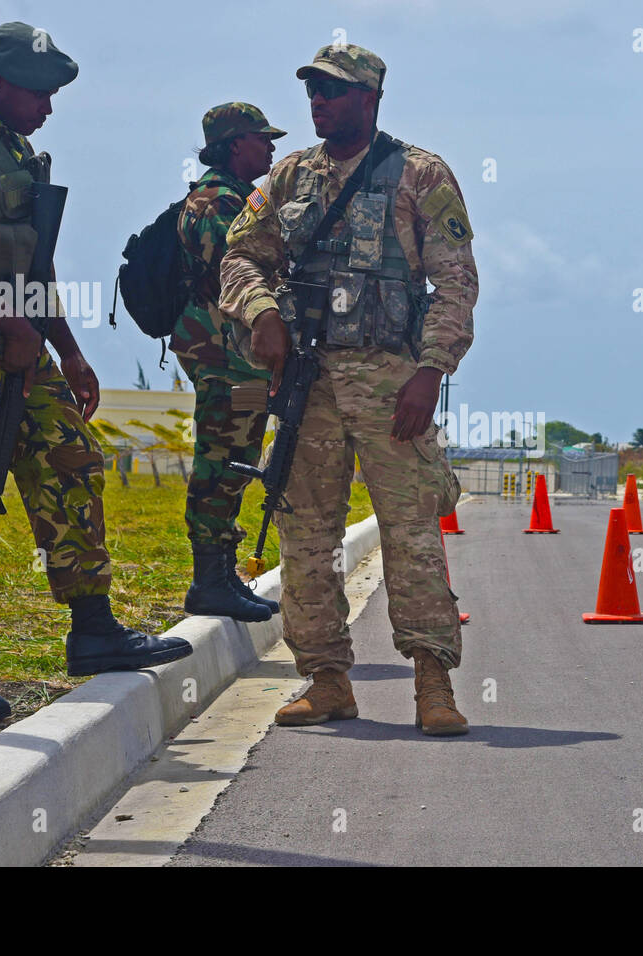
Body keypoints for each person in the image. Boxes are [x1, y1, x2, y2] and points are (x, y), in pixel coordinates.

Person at [0, 22, 191, 721]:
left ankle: (93, 632)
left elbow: (31, 259)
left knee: (71, 458)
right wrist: (14, 330)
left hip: (13, 337)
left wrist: (68, 350)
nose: (49, 108)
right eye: (39, 93)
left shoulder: (10, 144)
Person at [220, 43, 476, 735]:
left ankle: (432, 683)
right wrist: (261, 311)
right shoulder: (290, 176)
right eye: (313, 90)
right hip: (309, 382)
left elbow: (455, 281)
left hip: (395, 380)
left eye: (334, 90)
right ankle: (326, 678)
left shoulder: (420, 174)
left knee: (412, 529)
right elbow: (240, 254)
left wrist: (431, 370)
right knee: (305, 532)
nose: (319, 101)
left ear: (371, 98)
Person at [173, 103, 286, 624]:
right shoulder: (217, 201)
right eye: (262, 139)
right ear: (235, 143)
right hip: (222, 354)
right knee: (221, 460)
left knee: (236, 458)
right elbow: (238, 272)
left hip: (237, 355)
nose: (271, 147)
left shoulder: (242, 198)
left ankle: (220, 575)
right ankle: (209, 580)